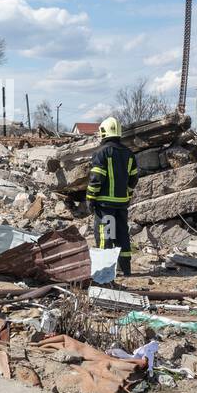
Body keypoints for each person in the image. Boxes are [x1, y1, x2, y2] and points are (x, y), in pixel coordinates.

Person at [86, 116, 138, 277]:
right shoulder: (129, 154)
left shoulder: (101, 153)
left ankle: (105, 271)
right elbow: (133, 179)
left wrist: (90, 198)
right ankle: (126, 269)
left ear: (103, 132)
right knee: (122, 235)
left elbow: (96, 179)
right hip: (122, 205)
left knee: (106, 236)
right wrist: (127, 196)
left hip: (105, 205)